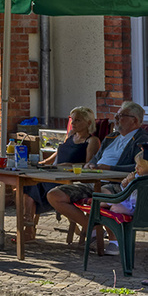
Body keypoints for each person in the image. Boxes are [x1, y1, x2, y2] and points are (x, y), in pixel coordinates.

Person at [47, 102, 146, 241]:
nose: (116, 119)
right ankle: (93, 229)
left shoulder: (142, 140)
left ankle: (114, 239)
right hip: (95, 181)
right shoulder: (111, 137)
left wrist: (109, 168)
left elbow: (141, 167)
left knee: (100, 198)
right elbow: (95, 159)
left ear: (134, 120)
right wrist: (91, 165)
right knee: (54, 195)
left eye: (121, 116)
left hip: (118, 185)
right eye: (116, 115)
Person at [19, 106, 101, 241]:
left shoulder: (92, 141)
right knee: (27, 184)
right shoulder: (70, 136)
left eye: (77, 120)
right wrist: (44, 162)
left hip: (69, 178)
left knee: (31, 187)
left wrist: (66, 166)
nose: (73, 123)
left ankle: (28, 228)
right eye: (72, 120)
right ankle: (29, 226)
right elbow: (59, 152)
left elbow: (88, 165)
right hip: (54, 173)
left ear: (88, 123)